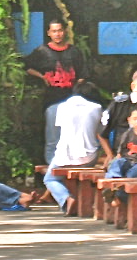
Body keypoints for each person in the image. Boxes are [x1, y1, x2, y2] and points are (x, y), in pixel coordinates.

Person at [25, 18, 87, 163]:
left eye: (59, 30)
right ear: (48, 33)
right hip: (51, 98)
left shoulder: (74, 51)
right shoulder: (42, 51)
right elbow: (27, 66)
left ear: (64, 31)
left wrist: (77, 89)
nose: (57, 34)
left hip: (71, 98)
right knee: (52, 135)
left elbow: (83, 74)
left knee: (72, 134)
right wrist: (42, 77)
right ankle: (51, 168)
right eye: (54, 31)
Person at [44, 81, 105, 216]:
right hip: (88, 157)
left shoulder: (61, 107)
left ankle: (66, 198)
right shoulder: (96, 108)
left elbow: (60, 130)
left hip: (63, 156)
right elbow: (101, 132)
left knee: (49, 179)